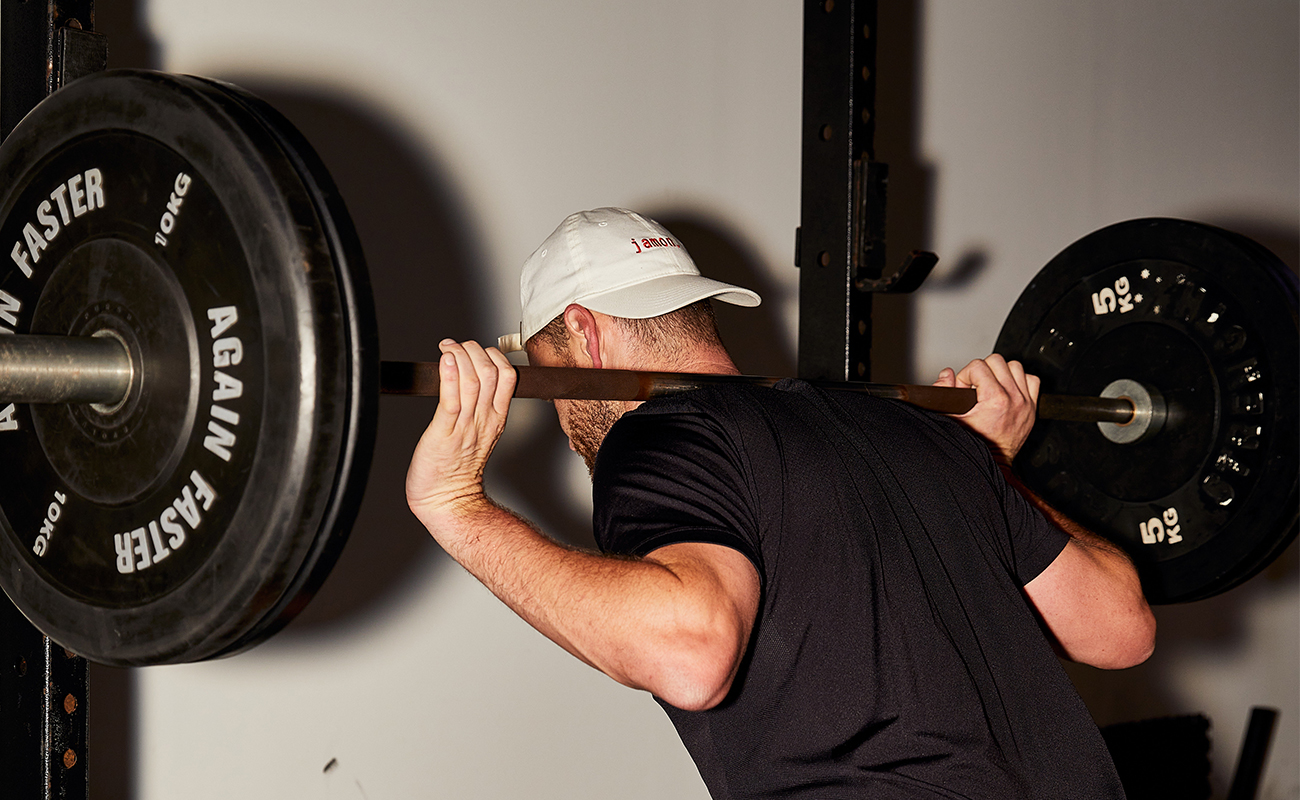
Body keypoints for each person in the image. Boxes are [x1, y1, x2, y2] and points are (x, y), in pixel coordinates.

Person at [405, 207, 1155, 799]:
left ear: (581, 331)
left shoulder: (663, 435)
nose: (567, 426)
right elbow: (1120, 627)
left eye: (545, 368)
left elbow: (690, 651)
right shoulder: (918, 433)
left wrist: (456, 509)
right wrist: (986, 463)